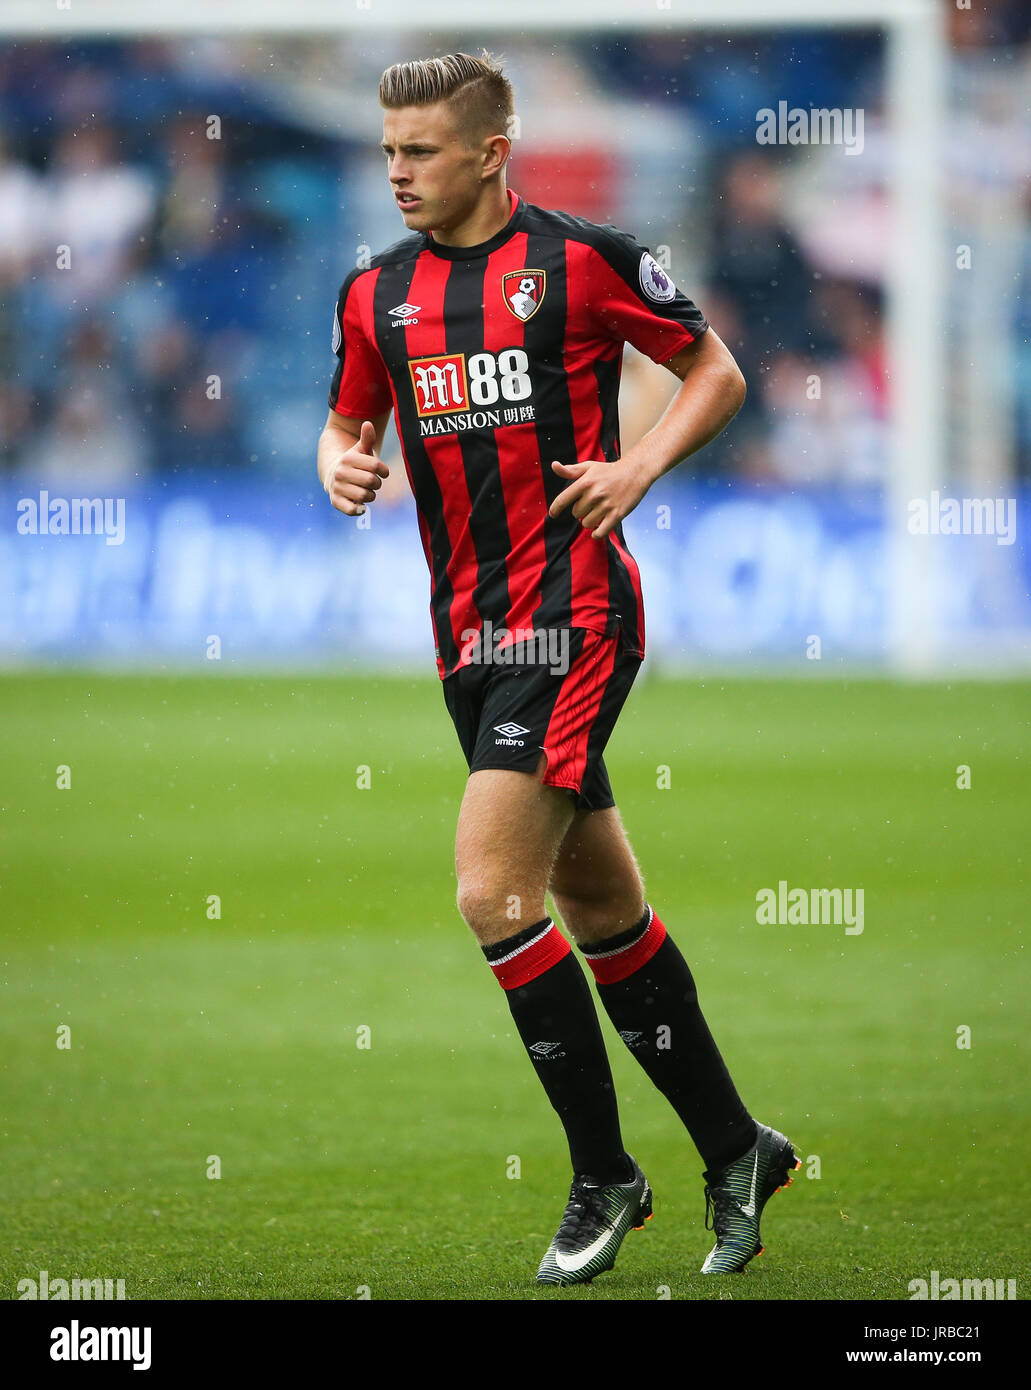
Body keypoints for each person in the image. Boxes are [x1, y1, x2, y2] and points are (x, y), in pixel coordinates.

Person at [316, 50, 799, 1285]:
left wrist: (635, 470)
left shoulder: (582, 262)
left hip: (570, 616)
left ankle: (604, 1173)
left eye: (419, 151)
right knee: (598, 910)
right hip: (467, 634)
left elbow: (717, 371)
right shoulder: (375, 293)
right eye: (387, 152)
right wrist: (340, 461)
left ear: (490, 150)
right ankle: (737, 1146)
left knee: (492, 892)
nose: (397, 173)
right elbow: (350, 417)